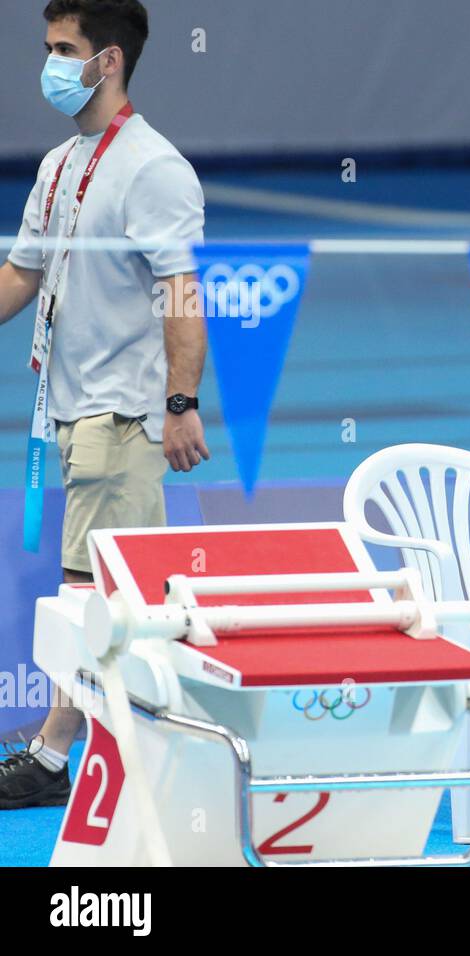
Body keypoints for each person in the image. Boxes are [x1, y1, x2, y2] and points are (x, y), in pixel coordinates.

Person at [0, 0, 208, 810]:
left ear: (108, 60)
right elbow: (22, 273)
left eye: (64, 48)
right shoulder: (61, 164)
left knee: (96, 593)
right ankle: (95, 750)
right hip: (72, 412)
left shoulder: (153, 168)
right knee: (101, 590)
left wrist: (180, 402)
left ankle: (60, 757)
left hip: (120, 416)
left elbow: (180, 292)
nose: (49, 62)